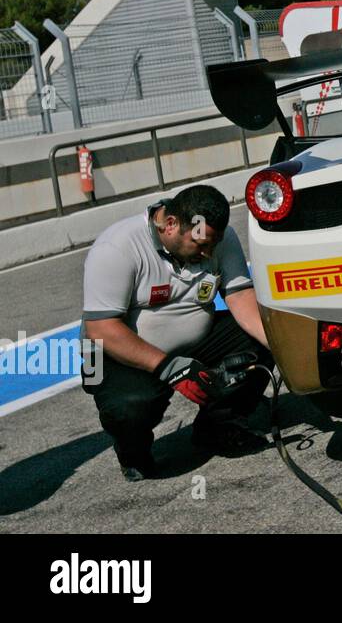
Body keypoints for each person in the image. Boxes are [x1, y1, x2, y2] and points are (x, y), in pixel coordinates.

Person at [80, 185, 272, 481]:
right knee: (129, 406)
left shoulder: (217, 238)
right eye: (201, 244)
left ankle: (218, 426)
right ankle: (133, 452)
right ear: (170, 225)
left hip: (195, 340)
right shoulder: (117, 247)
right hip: (119, 350)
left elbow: (239, 297)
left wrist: (281, 346)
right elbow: (100, 328)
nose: (208, 252)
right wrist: (169, 367)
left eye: (213, 243)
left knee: (262, 344)